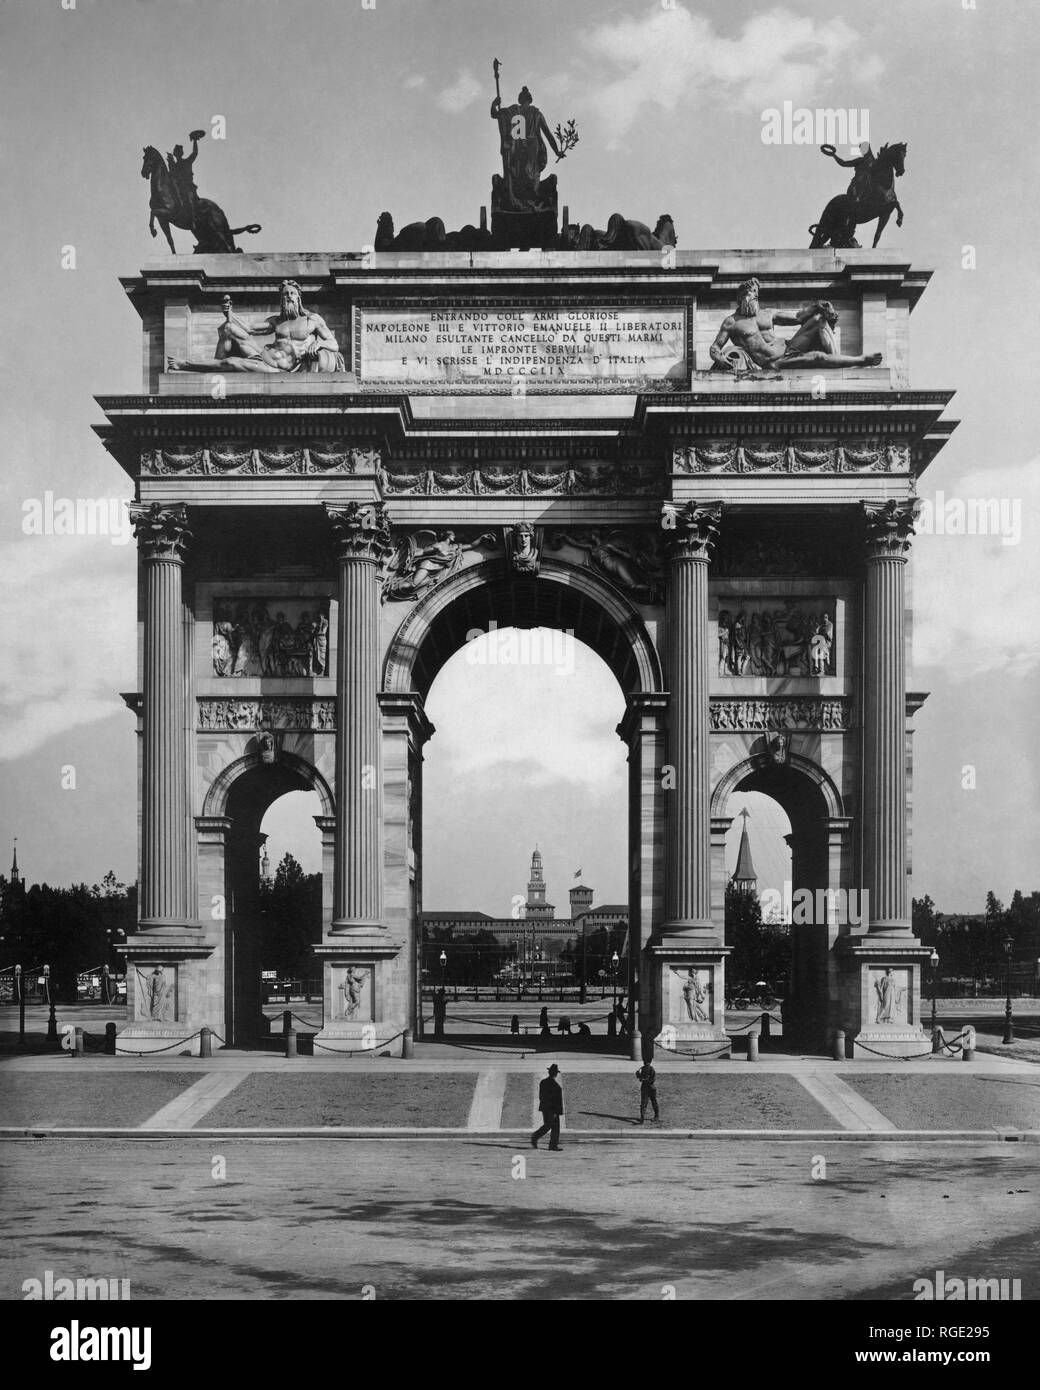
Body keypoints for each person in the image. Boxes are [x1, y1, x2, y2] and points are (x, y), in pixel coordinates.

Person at [531, 1064, 564, 1150]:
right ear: (555, 1074)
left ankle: (536, 1136)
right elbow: (557, 1101)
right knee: (554, 1127)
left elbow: (541, 1096)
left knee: (548, 1125)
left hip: (545, 1108)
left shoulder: (543, 1082)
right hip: (553, 1110)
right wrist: (556, 1112)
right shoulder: (556, 1086)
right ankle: (551, 1144)